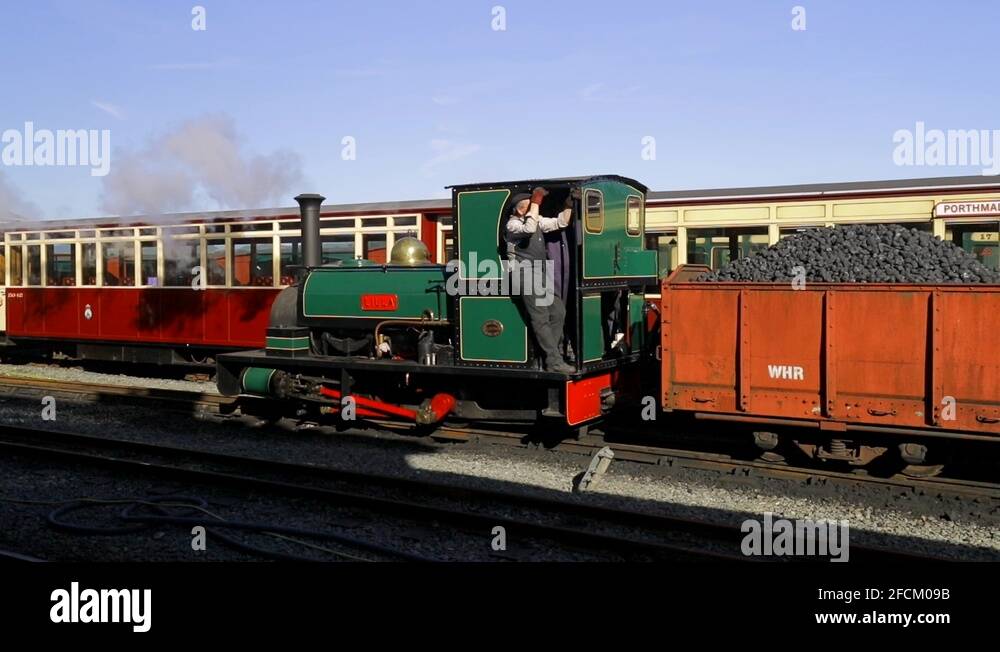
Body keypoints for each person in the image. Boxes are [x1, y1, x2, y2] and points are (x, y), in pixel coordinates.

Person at [505, 186, 577, 373]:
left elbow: (560, 223)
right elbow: (529, 229)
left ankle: (550, 354)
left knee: (558, 311)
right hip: (523, 274)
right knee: (541, 318)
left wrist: (569, 205)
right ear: (520, 209)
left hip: (540, 273)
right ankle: (553, 361)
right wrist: (536, 202)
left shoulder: (536, 221)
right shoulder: (512, 225)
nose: (533, 208)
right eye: (529, 206)